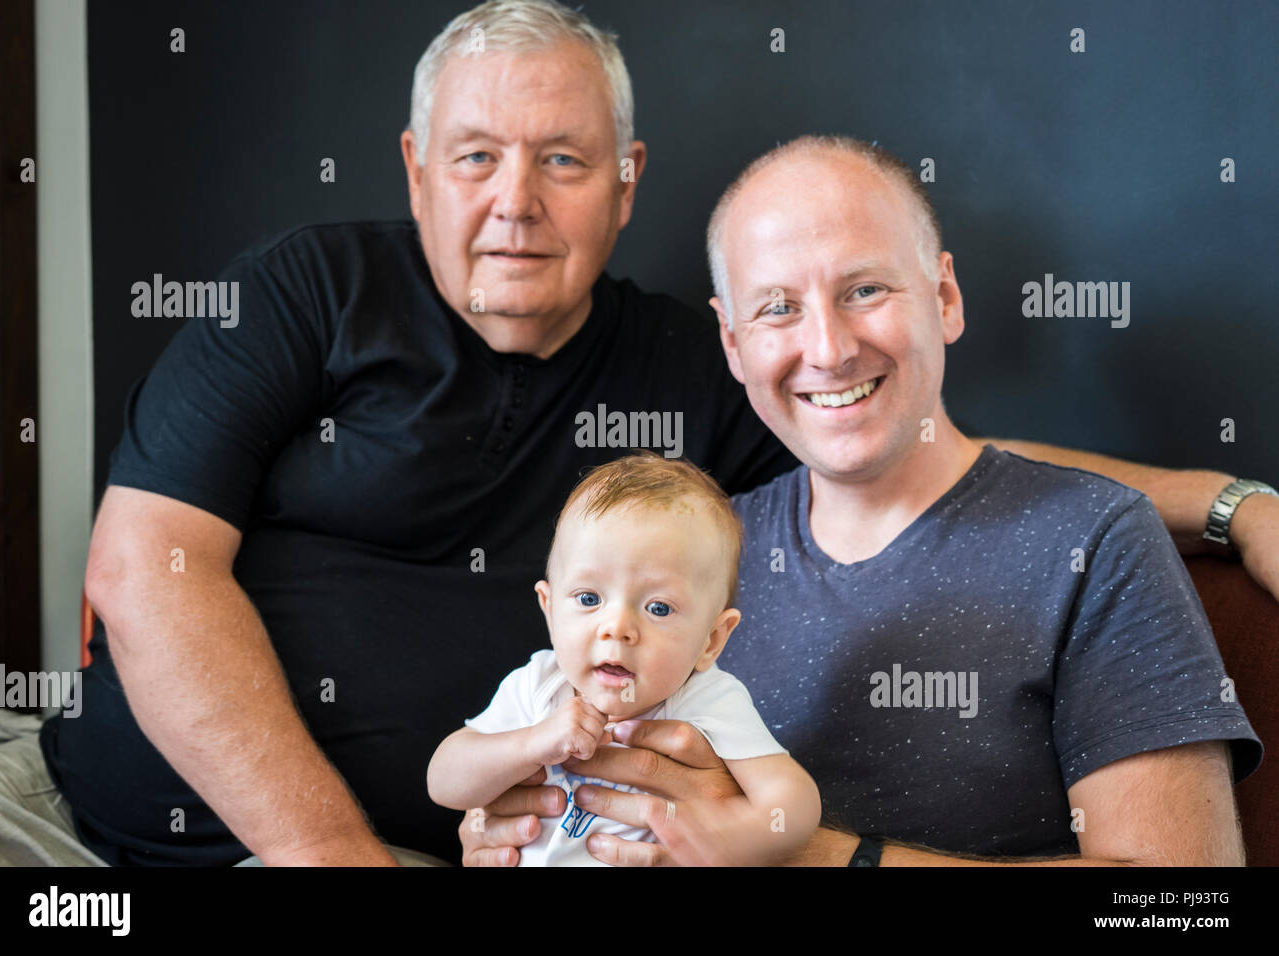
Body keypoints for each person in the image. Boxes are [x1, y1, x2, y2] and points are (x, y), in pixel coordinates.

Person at [0, 0, 1272, 868]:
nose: (515, 205)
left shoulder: (702, 387)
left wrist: (1226, 502)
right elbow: (142, 575)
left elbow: (946, 458)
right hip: (82, 825)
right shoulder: (298, 293)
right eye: (476, 157)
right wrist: (391, 849)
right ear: (416, 167)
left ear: (627, 179)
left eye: (563, 160)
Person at [463, 136, 1263, 866]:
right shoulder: (694, 557)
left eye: (865, 288)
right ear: (734, 344)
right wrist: (515, 828)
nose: (830, 348)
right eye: (777, 307)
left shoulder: (1096, 540)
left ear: (944, 298)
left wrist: (806, 854)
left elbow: (1177, 910)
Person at [427, 454, 820, 865]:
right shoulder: (541, 684)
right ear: (549, 608)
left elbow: (793, 804)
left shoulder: (705, 702)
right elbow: (443, 781)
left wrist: (735, 841)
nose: (616, 628)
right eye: (589, 599)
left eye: (659, 608)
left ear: (711, 640)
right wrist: (528, 744)